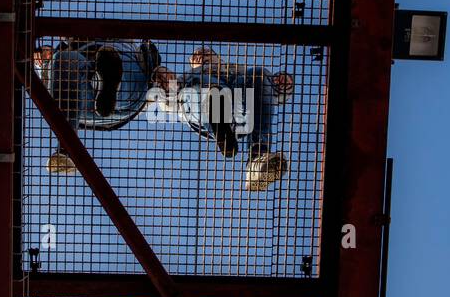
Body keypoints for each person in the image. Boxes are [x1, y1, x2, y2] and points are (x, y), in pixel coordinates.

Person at [149, 46, 294, 192]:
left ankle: (257, 160)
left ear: (218, 58)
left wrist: (278, 84)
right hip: (201, 105)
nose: (200, 56)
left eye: (206, 52)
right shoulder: (188, 76)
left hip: (237, 104)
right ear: (192, 64)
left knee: (259, 74)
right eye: (196, 57)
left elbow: (266, 94)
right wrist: (164, 82)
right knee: (199, 88)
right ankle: (220, 126)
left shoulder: (235, 69)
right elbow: (169, 104)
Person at [35, 38, 160, 174]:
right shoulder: (54, 67)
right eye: (41, 55)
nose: (45, 54)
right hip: (85, 102)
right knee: (62, 60)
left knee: (123, 74)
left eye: (45, 50)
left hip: (127, 88)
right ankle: (66, 148)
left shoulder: (121, 45)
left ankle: (104, 81)